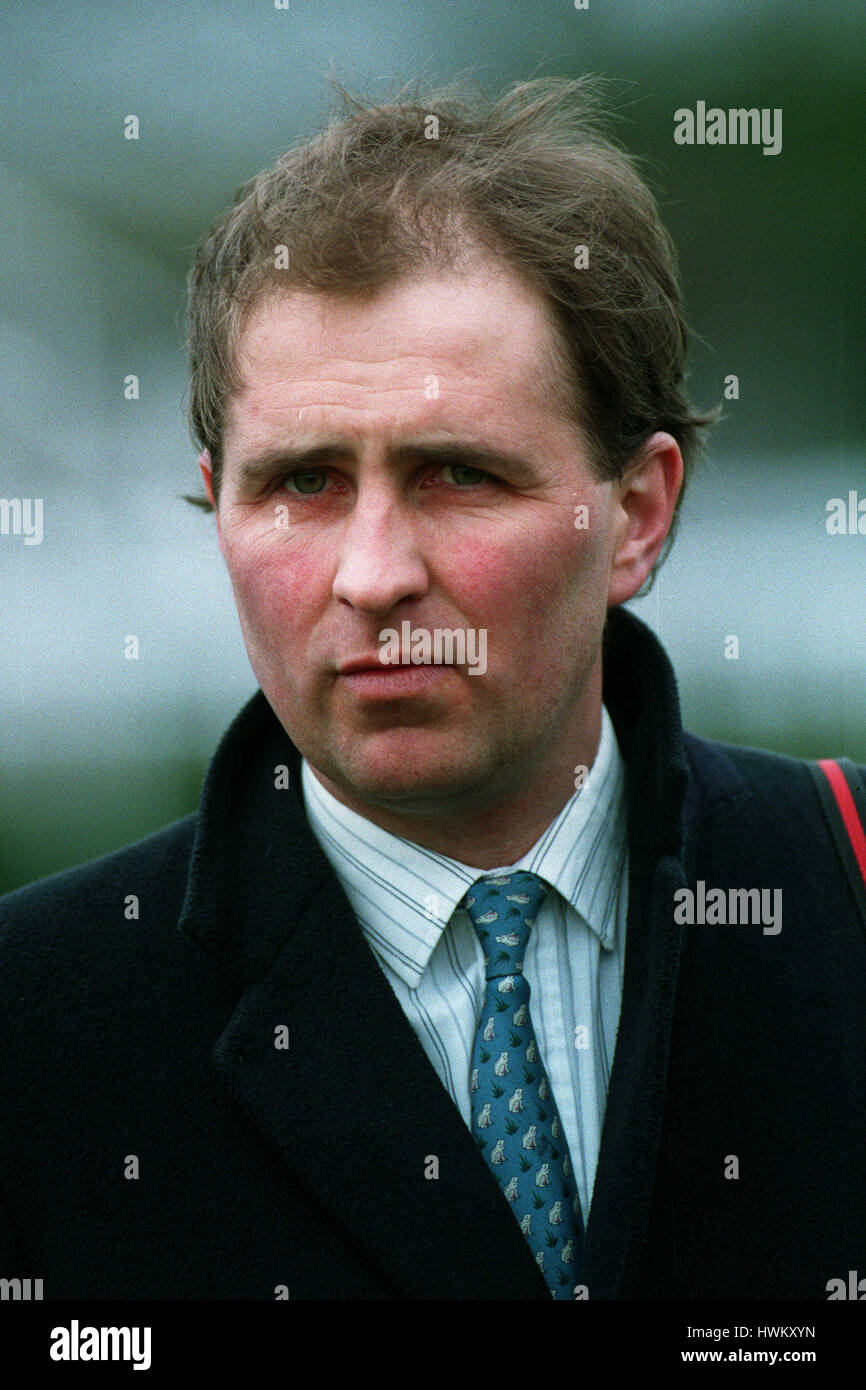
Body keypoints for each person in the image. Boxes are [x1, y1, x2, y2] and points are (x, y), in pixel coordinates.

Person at [1, 78, 864, 1302]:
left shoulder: (843, 892)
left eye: (457, 474)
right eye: (299, 483)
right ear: (216, 505)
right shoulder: (36, 1027)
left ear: (635, 514)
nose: (370, 575)